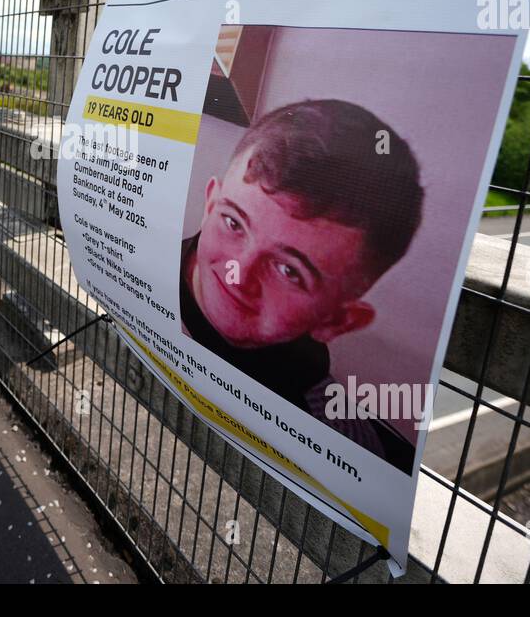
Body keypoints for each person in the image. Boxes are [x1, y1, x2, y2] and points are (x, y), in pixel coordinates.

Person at [179, 99, 424, 474]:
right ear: (211, 204)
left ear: (337, 321)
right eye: (233, 223)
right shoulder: (141, 273)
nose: (238, 274)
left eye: (289, 271)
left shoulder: (338, 443)